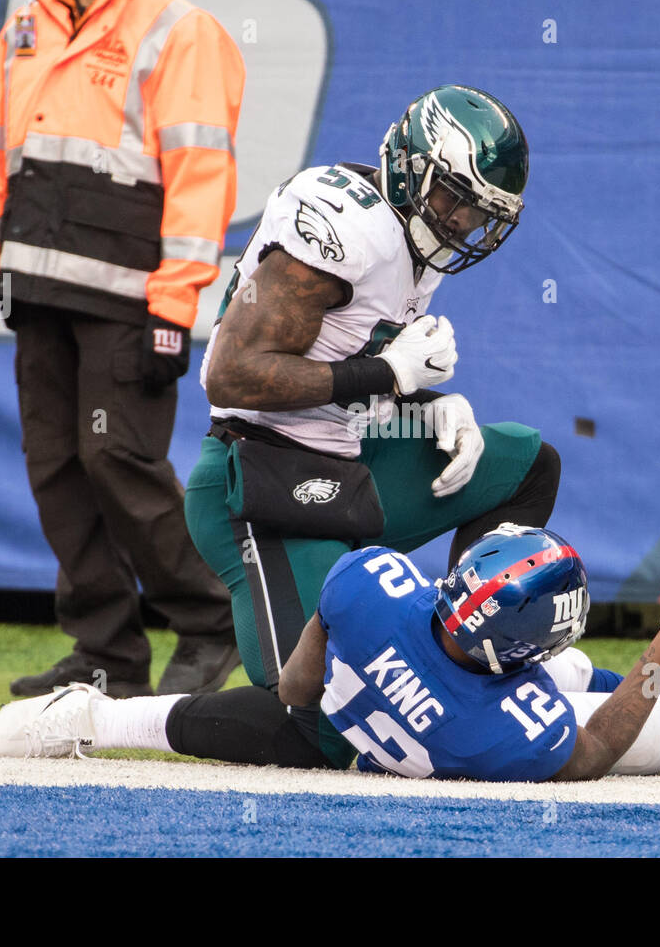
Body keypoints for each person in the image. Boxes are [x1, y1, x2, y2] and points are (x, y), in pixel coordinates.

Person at [0, 525, 660, 779]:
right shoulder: (510, 728)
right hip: (471, 719)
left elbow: (293, 683)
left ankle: (77, 718)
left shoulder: (371, 581)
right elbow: (595, 749)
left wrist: (329, 691)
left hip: (340, 724)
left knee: (227, 721)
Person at [180, 83, 562, 768]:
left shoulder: (414, 243)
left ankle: (471, 655)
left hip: (351, 458)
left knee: (524, 466)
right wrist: (389, 377)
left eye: (481, 214)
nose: (465, 223)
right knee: (326, 720)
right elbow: (232, 375)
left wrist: (422, 408)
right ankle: (109, 716)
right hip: (263, 482)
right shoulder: (341, 223)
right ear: (412, 169)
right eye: (456, 199)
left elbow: (352, 363)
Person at [0, 0, 245, 697]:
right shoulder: (25, 19)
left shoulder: (178, 27)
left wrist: (172, 307)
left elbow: (202, 179)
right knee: (56, 469)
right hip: (37, 293)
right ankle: (106, 652)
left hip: (130, 301)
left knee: (116, 460)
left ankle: (213, 618)